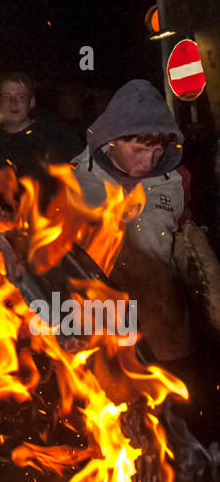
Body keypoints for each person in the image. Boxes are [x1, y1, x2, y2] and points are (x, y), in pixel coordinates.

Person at [69, 79, 199, 367]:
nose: (149, 162)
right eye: (138, 150)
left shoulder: (178, 180)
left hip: (163, 331)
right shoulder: (73, 181)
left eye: (157, 151)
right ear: (111, 140)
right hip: (98, 330)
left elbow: (186, 236)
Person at [0, 73, 82, 186]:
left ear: (31, 102)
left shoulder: (57, 138)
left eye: (21, 97)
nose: (13, 103)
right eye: (6, 97)